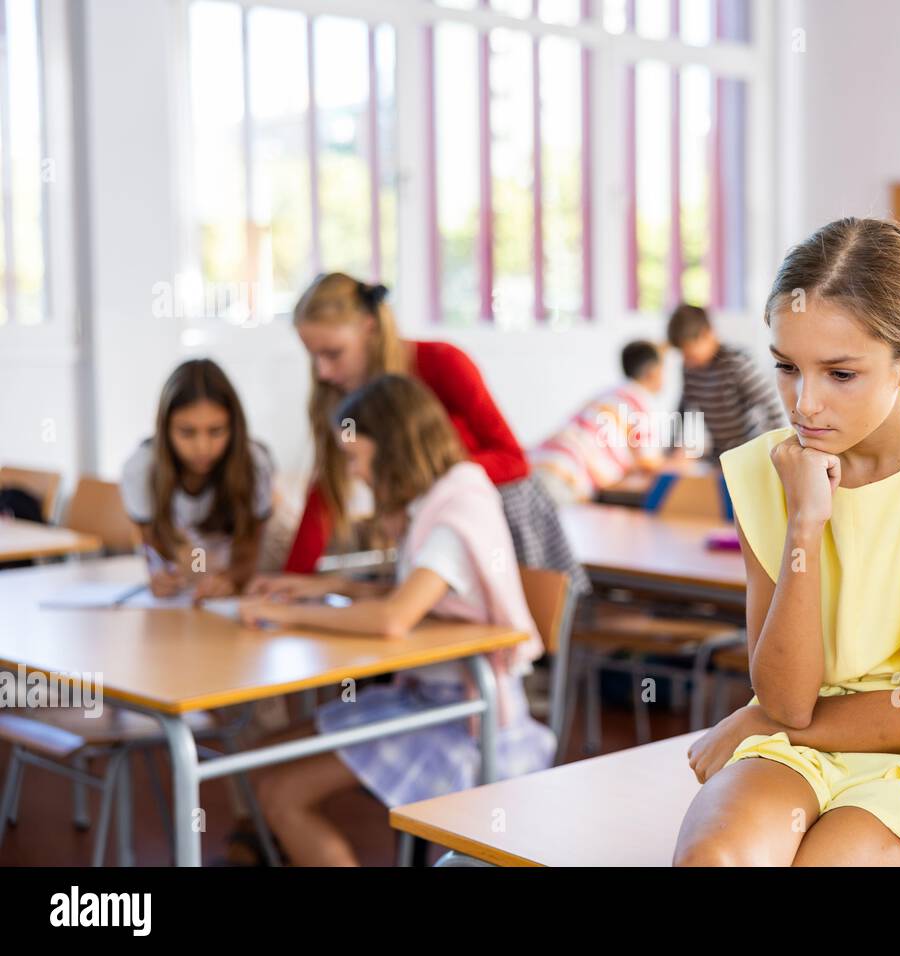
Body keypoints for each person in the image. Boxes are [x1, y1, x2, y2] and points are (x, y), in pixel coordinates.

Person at [673, 218, 900, 867]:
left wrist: (758, 719)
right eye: (787, 368)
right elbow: (788, 696)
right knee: (714, 860)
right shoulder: (767, 471)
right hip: (800, 738)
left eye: (840, 374)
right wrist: (804, 523)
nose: (805, 403)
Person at [242, 375, 554, 866]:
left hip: (464, 723)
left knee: (281, 794)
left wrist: (282, 614)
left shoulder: (457, 513)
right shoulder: (437, 500)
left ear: (391, 448)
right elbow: (415, 599)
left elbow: (393, 619)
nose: (356, 472)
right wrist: (330, 587)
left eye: (356, 457)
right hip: (425, 701)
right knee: (266, 757)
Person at [276, 273, 588, 594]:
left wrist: (423, 484)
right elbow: (331, 483)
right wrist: (292, 578)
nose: (323, 372)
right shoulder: (342, 398)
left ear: (369, 327)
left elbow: (511, 459)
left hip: (497, 515)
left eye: (333, 353)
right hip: (434, 525)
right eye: (313, 357)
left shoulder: (441, 363)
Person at [121, 358, 275, 599]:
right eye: (187, 432)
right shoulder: (140, 469)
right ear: (164, 428)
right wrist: (161, 576)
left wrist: (230, 578)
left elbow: (248, 553)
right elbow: (155, 549)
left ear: (234, 427)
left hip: (233, 598)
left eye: (216, 431)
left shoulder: (255, 464)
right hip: (176, 600)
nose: (202, 447)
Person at [530, 340, 668, 504]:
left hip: (538, 462)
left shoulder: (607, 394)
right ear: (653, 372)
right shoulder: (638, 401)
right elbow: (648, 462)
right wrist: (680, 463)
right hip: (566, 474)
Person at [668, 302, 787, 459]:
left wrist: (775, 453)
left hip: (748, 451)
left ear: (708, 334)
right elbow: (683, 409)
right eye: (683, 354)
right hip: (720, 455)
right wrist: (673, 448)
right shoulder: (689, 369)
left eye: (690, 353)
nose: (687, 360)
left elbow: (771, 407)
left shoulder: (736, 363)